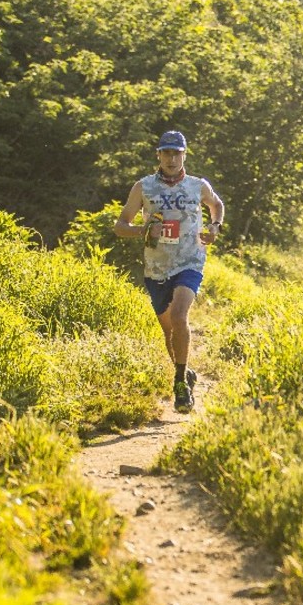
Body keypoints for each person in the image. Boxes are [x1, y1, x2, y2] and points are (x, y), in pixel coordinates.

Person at [114, 130, 224, 413]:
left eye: (177, 153)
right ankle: (184, 370)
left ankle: (179, 385)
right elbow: (120, 225)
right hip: (156, 266)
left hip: (190, 261)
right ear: (158, 155)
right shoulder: (144, 187)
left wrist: (214, 227)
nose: (172, 158)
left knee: (179, 315)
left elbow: (217, 205)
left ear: (184, 155)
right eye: (167, 152)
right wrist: (145, 230)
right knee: (169, 333)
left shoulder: (197, 186)